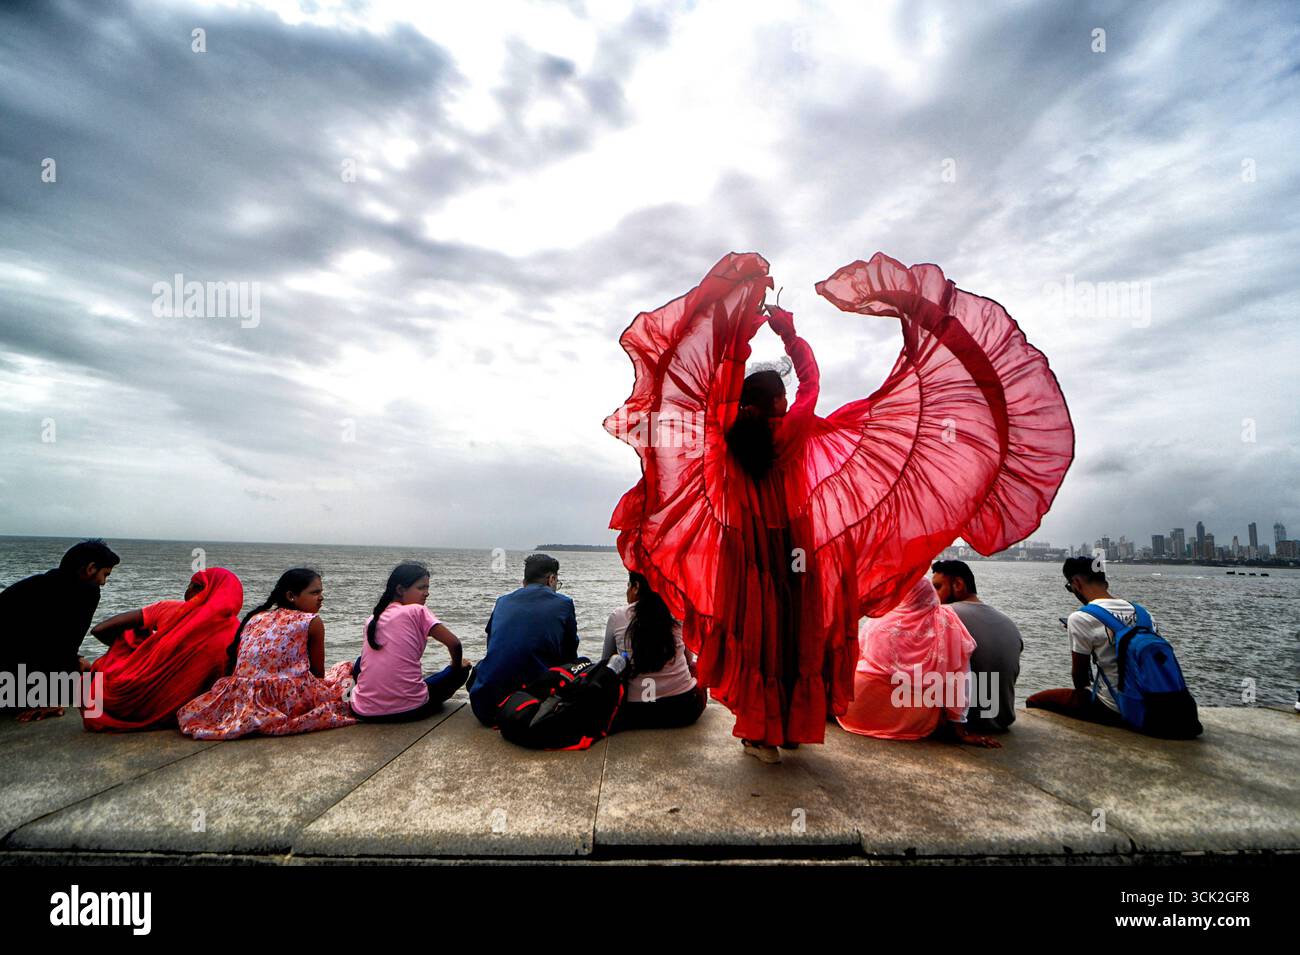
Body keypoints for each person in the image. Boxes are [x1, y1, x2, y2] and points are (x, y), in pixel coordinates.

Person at [605, 252, 1074, 763]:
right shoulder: (794, 428)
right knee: (793, 640)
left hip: (745, 553)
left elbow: (716, 383)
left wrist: (740, 327)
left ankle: (760, 735)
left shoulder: (723, 432)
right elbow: (811, 382)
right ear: (780, 403)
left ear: (743, 401)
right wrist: (787, 331)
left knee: (757, 642)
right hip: (797, 552)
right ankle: (787, 730)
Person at [177, 568, 355, 739]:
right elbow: (318, 673)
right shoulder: (311, 621)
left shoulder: (257, 617)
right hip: (283, 699)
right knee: (345, 672)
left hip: (244, 696)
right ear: (291, 596)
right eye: (315, 593)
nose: (321, 598)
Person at [1026, 556, 1196, 732]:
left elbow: (1080, 680)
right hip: (1159, 704)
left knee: (1035, 701)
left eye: (1070, 587)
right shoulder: (1144, 613)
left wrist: (1081, 637)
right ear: (1104, 582)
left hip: (1115, 707)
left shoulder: (1080, 618)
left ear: (1076, 582)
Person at [836, 577, 999, 746]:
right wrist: (960, 732)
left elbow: (849, 664)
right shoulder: (945, 623)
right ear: (929, 596)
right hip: (913, 720)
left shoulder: (878, 622)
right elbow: (958, 680)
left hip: (855, 709)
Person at [82, 567, 243, 732]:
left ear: (202, 590)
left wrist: (142, 652)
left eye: (191, 585)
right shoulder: (236, 633)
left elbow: (100, 630)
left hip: (120, 701)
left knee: (131, 634)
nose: (186, 589)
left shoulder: (169, 609)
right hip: (173, 711)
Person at [0, 539, 120, 722]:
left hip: (21, 661)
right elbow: (44, 646)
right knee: (90, 680)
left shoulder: (40, 585)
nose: (103, 582)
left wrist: (74, 661)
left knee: (85, 669)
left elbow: (56, 643)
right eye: (105, 574)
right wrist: (52, 698)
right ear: (91, 568)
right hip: (12, 669)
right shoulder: (83, 594)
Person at [347, 562, 472, 723]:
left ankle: (374, 696)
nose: (427, 593)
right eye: (421, 588)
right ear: (400, 590)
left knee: (361, 661)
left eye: (427, 588)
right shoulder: (417, 611)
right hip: (410, 711)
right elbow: (454, 644)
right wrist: (455, 667)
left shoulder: (372, 619)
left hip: (363, 711)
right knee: (463, 669)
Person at [469, 554, 579, 727]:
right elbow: (570, 653)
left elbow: (492, 645)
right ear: (551, 579)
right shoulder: (563, 603)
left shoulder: (502, 601)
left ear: (524, 581)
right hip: (532, 708)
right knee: (581, 665)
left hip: (485, 706)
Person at [601, 571, 706, 732]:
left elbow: (606, 663)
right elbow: (688, 658)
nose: (627, 591)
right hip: (684, 709)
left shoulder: (617, 616)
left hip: (634, 712)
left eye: (628, 585)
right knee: (695, 668)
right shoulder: (676, 613)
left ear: (636, 587)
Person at [930, 559, 1022, 732]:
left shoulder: (944, 614)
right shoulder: (1009, 623)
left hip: (965, 724)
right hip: (1001, 720)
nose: (933, 596)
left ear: (958, 584)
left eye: (937, 587)